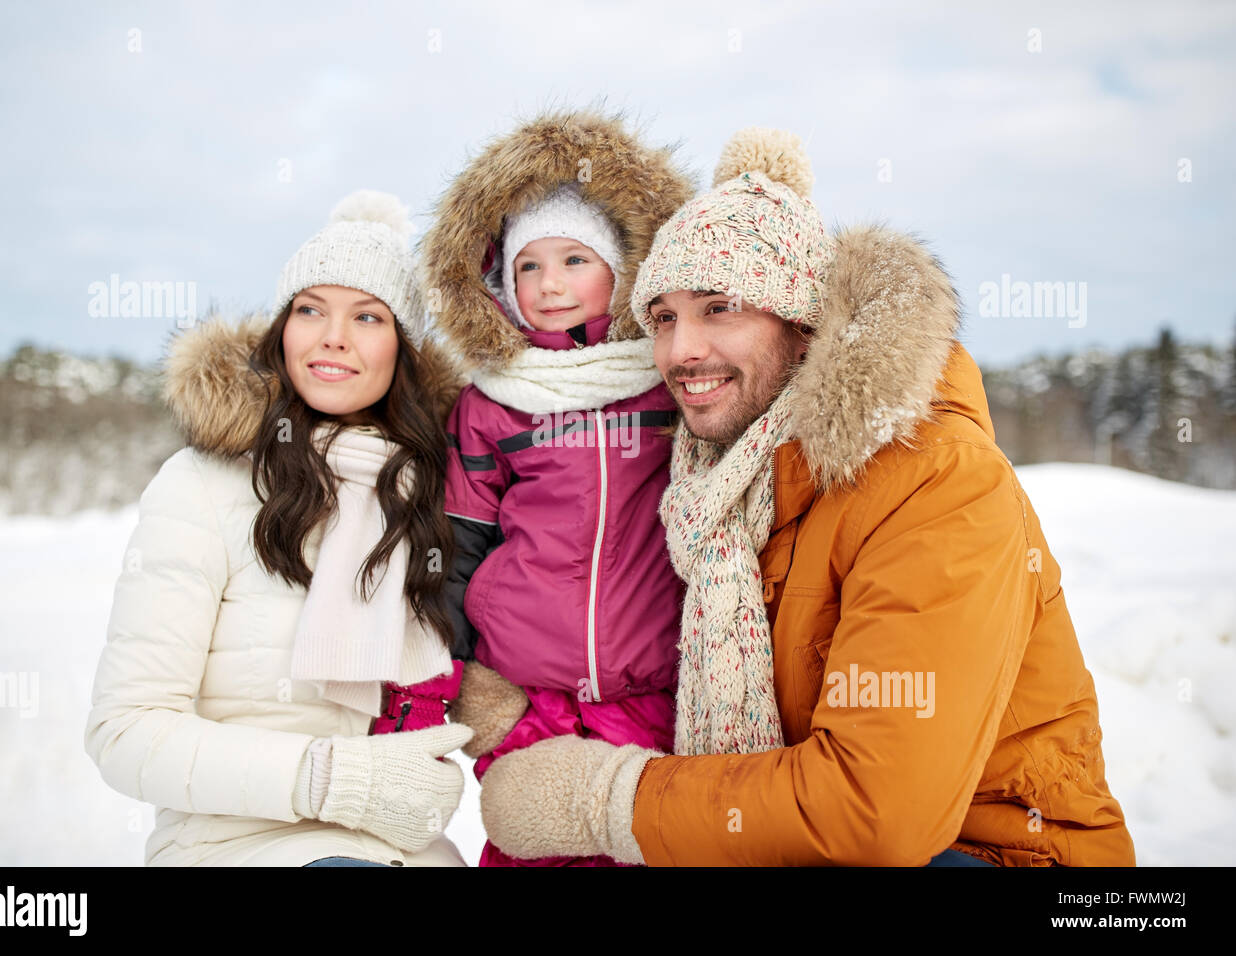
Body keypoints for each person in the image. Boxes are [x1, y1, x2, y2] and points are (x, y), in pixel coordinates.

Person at [476, 128, 1136, 867]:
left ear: (803, 324)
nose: (681, 351)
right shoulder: (715, 492)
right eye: (662, 318)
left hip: (991, 855)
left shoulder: (935, 479)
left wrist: (608, 801)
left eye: (719, 307)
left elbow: (876, 813)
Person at [84, 191, 474, 866]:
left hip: (407, 853)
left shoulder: (434, 496)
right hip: (237, 844)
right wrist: (330, 779)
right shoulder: (204, 484)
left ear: (403, 350)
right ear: (281, 330)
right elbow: (125, 731)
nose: (333, 337)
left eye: (368, 316)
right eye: (309, 310)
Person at [423, 109, 695, 865]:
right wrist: (465, 682)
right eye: (528, 267)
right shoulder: (494, 400)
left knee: (652, 845)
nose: (550, 285)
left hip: (656, 689)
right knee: (536, 847)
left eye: (574, 260)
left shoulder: (667, 383)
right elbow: (460, 543)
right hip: (527, 695)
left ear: (624, 267)